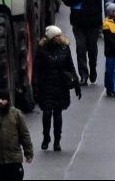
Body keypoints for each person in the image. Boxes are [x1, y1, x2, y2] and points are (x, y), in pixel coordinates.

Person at [32, 24, 80, 152]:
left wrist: (76, 84)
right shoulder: (42, 50)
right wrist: (35, 84)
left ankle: (57, 140)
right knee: (47, 113)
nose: (60, 38)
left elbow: (70, 66)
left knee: (58, 114)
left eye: (60, 35)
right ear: (51, 38)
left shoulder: (65, 48)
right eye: (57, 36)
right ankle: (46, 137)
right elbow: (36, 68)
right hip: (46, 85)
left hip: (61, 85)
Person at [0, 92, 34, 181]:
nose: (0, 101)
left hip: (13, 159)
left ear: (8, 100)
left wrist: (29, 153)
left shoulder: (16, 114)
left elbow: (24, 135)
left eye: (3, 99)